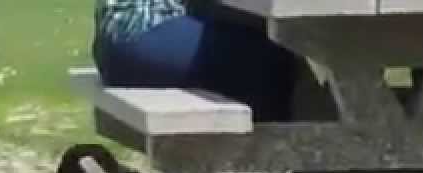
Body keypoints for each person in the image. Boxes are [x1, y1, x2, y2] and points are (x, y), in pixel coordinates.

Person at [91, 0, 302, 123]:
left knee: (273, 50)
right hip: (145, 31)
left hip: (116, 39)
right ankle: (268, 172)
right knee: (274, 61)